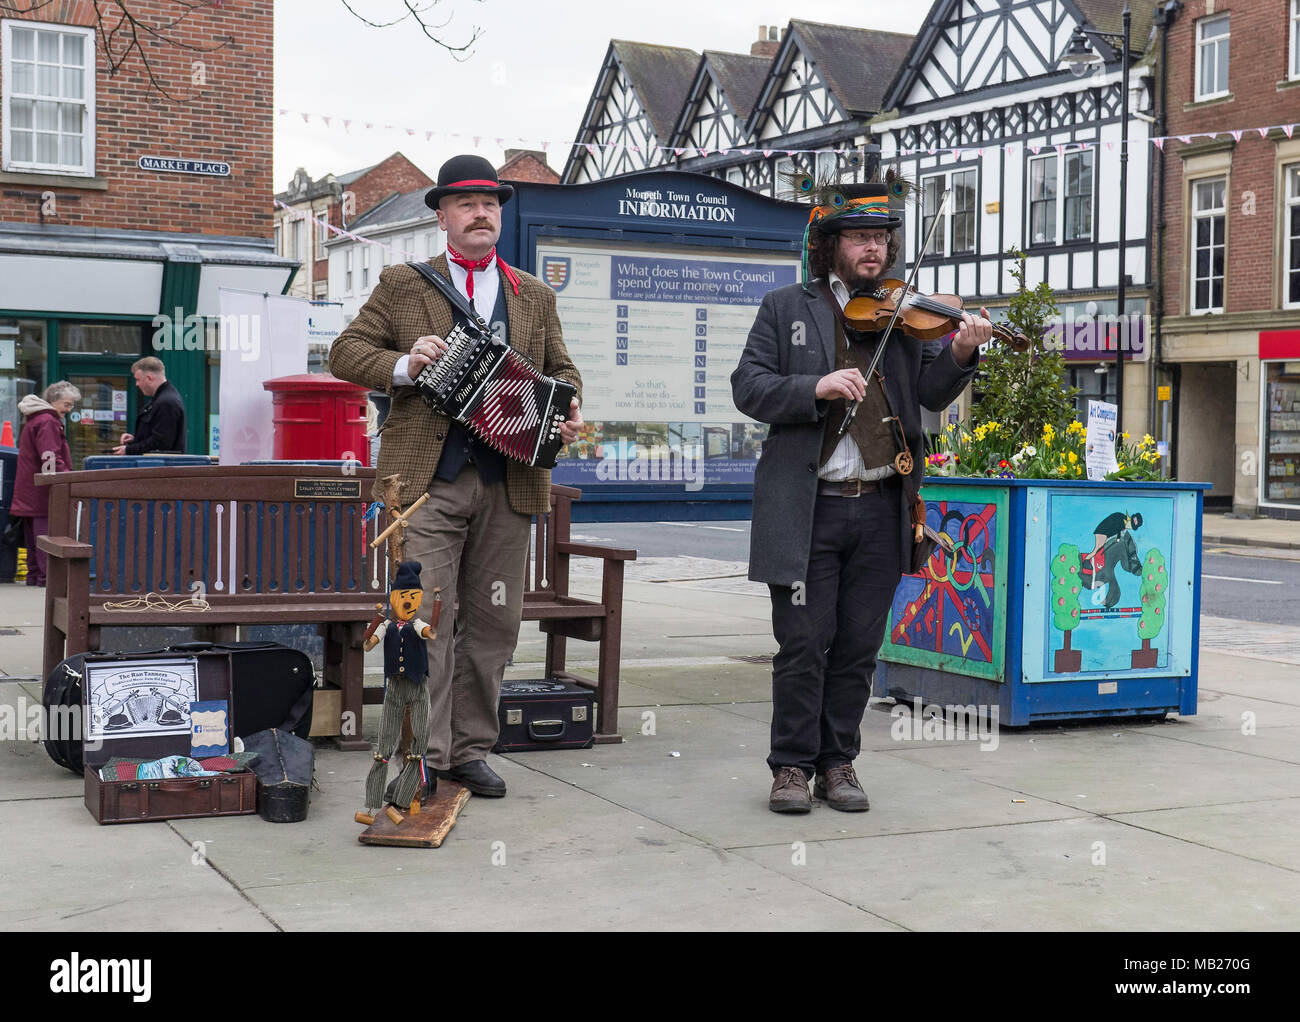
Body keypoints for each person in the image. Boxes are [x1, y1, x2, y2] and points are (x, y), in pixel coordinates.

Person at [731, 180, 991, 814]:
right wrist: (814, 387)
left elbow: (930, 395)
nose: (872, 249)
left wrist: (960, 349)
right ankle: (790, 766)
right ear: (831, 246)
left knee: (857, 645)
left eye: (881, 239)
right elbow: (748, 387)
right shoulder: (785, 307)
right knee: (801, 641)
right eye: (859, 237)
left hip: (880, 506)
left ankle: (838, 763)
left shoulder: (905, 316)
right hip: (808, 505)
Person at [330, 155, 583, 798]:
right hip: (427, 485)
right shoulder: (403, 284)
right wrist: (407, 363)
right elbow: (345, 354)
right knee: (423, 621)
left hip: (509, 480)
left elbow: (563, 371)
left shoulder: (535, 293)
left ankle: (469, 748)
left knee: (494, 626)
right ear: (441, 217)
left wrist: (567, 406)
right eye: (466, 204)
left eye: (491, 204)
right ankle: (419, 757)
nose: (481, 213)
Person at [10, 381, 80, 587]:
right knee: (46, 536)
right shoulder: (48, 421)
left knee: (33, 537)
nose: (69, 410)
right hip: (43, 490)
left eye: (72, 405)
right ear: (52, 401)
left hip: (28, 488)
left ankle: (34, 577)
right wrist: (63, 478)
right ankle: (46, 578)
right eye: (66, 405)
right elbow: (49, 456)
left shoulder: (33, 419)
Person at [111, 356, 186, 455]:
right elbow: (160, 436)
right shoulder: (164, 399)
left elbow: (161, 444)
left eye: (138, 379)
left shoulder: (166, 403)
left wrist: (129, 450)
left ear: (149, 378)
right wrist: (136, 439)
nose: (137, 384)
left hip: (161, 468)